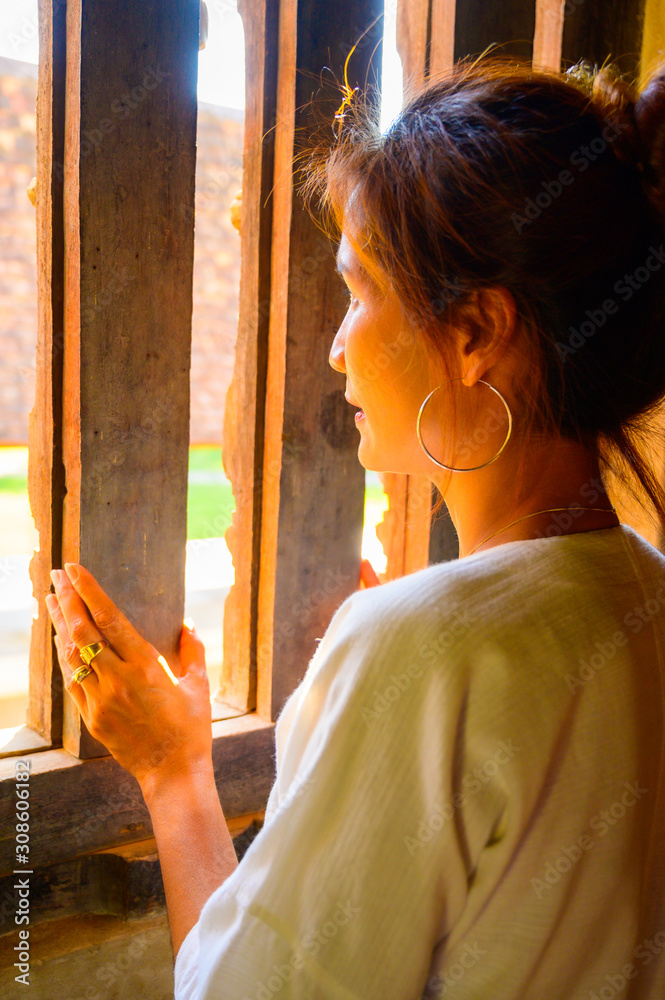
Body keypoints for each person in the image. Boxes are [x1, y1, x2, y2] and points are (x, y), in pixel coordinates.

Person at [46, 56, 665, 998]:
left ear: (472, 333)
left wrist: (174, 774)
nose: (337, 342)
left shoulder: (421, 653)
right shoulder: (646, 593)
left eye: (356, 290)